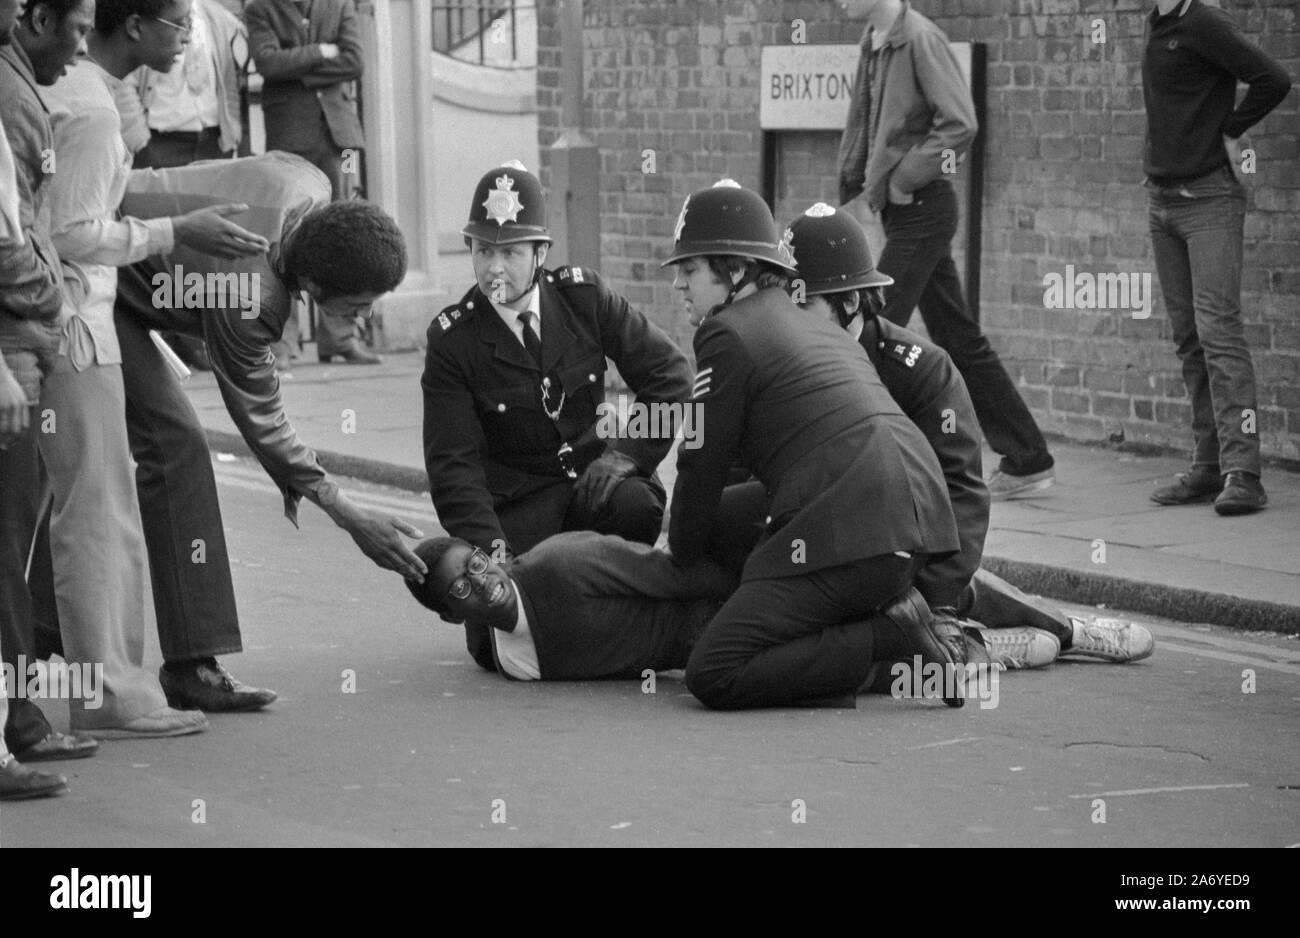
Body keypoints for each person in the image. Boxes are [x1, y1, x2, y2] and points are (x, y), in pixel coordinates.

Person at [106, 149, 427, 712]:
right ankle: (183, 665)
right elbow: (263, 423)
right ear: (312, 280)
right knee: (174, 445)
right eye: (355, 306)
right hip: (91, 280)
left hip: (123, 263)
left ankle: (51, 636)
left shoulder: (309, 186)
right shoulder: (248, 294)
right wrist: (351, 516)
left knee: (119, 457)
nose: (363, 319)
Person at [786, 202, 1156, 668]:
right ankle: (983, 647)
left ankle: (1063, 630)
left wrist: (935, 601)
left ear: (850, 301)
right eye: (786, 300)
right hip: (828, 556)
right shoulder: (786, 366)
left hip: (908, 557)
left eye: (804, 303)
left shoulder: (919, 371)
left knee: (917, 597)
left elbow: (961, 492)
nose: (790, 318)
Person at [663, 179, 968, 711]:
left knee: (714, 671)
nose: (680, 286)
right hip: (910, 524)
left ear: (734, 272)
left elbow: (700, 464)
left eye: (690, 270)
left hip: (854, 530)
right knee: (724, 519)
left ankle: (890, 636)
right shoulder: (807, 321)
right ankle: (870, 616)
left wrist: (679, 556)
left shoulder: (726, 333)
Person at [421, 161, 694, 672]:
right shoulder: (452, 342)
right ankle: (611, 631)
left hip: (593, 486)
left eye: (509, 252)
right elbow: (453, 468)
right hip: (520, 511)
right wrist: (493, 554)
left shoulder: (582, 297)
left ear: (540, 253)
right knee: (492, 646)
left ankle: (619, 611)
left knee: (635, 502)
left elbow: (670, 376)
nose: (494, 269)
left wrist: (626, 456)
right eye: (484, 251)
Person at [837, 0, 1056, 501]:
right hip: (905, 209)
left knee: (867, 322)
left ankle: (855, 456)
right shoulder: (874, 41)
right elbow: (872, 124)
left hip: (924, 205)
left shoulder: (919, 38)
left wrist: (904, 178)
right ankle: (1028, 457)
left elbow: (961, 123)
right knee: (959, 337)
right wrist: (868, 182)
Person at [0, 0, 100, 763]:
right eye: (77, 23)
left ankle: (20, 715)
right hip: (13, 344)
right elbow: (11, 243)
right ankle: (14, 721)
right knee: (8, 544)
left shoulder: (17, 84)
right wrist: (54, 303)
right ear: (35, 17)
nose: (81, 43)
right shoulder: (9, 92)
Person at [1143, 0, 1290, 515]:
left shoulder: (1204, 20)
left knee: (1219, 335)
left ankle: (1244, 473)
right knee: (1189, 339)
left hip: (1210, 201)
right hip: (1162, 203)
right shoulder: (1159, 22)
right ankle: (1208, 466)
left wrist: (1231, 129)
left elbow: (1272, 78)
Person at [115, 0, 248, 372]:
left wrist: (228, 132)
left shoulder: (216, 18)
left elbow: (230, 79)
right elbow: (123, 79)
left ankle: (202, 335)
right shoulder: (155, 15)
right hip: (159, 138)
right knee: (168, 243)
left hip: (207, 138)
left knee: (203, 247)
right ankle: (174, 337)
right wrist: (139, 139)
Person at [406, 533, 734, 681]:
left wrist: (759, 591)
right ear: (452, 617)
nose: (480, 581)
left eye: (476, 563)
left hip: (716, 616)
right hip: (698, 657)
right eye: (460, 587)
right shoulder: (490, 653)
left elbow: (669, 573)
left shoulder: (560, 564)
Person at [244, 0, 373, 364]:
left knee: (345, 235)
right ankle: (283, 343)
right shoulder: (261, 9)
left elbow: (355, 60)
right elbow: (267, 62)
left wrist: (300, 71)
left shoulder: (340, 5)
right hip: (290, 134)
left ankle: (340, 338)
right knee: (287, 237)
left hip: (340, 139)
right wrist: (320, 51)